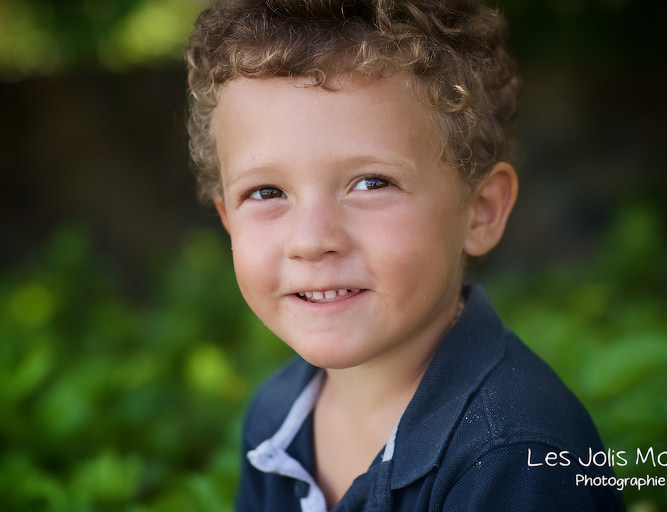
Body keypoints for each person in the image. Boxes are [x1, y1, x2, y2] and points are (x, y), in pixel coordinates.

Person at [185, 1, 624, 510]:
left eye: (371, 183)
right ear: (226, 218)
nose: (310, 240)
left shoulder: (515, 456)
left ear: (479, 211)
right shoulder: (275, 418)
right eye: (266, 192)